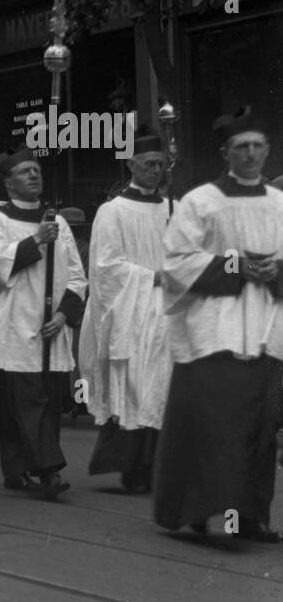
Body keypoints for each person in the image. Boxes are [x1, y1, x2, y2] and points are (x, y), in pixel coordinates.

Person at [154, 107, 283, 541]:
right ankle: (206, 511)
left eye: (257, 146)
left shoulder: (280, 203)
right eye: (241, 147)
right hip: (215, 328)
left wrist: (276, 272)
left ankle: (252, 518)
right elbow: (175, 262)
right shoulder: (200, 202)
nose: (250, 154)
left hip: (266, 327)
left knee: (262, 430)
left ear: (267, 151)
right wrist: (236, 266)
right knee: (218, 429)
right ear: (225, 152)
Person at [0, 145, 87, 499]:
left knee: (41, 401)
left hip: (52, 325)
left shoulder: (58, 221)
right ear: (8, 182)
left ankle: (15, 468)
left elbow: (77, 277)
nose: (34, 174)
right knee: (27, 400)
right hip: (13, 327)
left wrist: (64, 314)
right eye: (25, 171)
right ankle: (49, 472)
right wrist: (36, 238)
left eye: (36, 169)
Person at [77, 132, 172, 493]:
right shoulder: (112, 212)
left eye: (160, 164)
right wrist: (153, 278)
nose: (155, 170)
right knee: (136, 388)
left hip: (170, 313)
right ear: (130, 164)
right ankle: (135, 468)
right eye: (148, 163)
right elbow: (106, 269)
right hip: (133, 314)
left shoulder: (172, 209)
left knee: (165, 388)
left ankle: (163, 468)